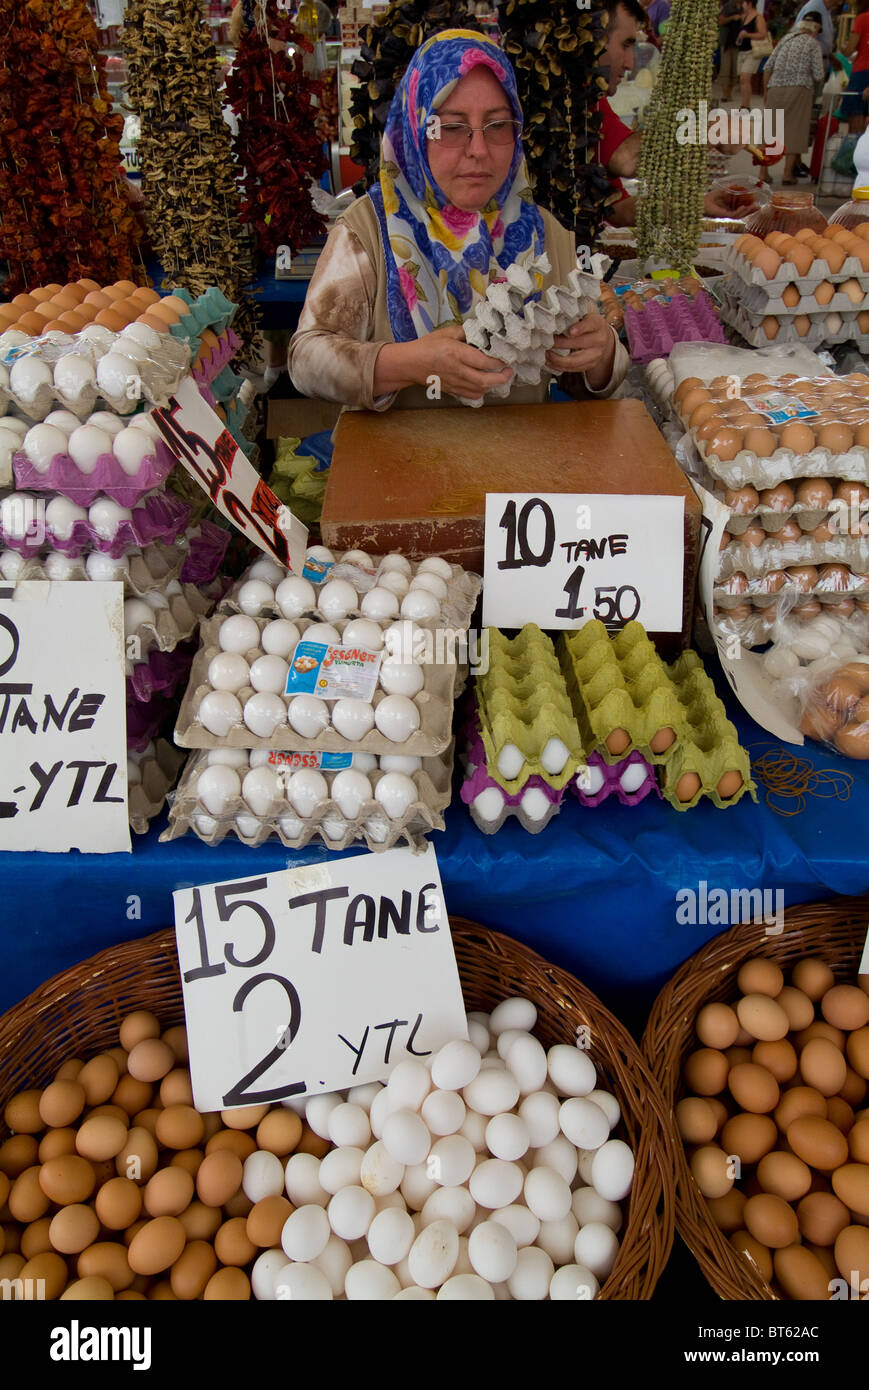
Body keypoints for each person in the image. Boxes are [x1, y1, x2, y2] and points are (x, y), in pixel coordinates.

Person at [289, 31, 628, 411]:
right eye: (451, 128)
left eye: (497, 126)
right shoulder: (369, 231)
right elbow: (306, 360)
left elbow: (582, 378)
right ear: (416, 130)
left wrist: (598, 355)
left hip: (519, 465)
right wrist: (410, 365)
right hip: (395, 464)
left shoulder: (543, 233)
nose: (478, 150)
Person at [762, 11, 825, 183]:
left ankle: (763, 172)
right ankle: (787, 174)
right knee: (793, 130)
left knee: (770, 130)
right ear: (817, 29)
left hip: (775, 86)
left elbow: (767, 67)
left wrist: (767, 91)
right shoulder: (813, 44)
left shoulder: (785, 39)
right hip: (799, 89)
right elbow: (819, 74)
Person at [840, 0, 869, 133]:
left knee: (856, 116)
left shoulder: (862, 19)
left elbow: (850, 49)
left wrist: (842, 50)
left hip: (862, 72)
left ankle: (853, 150)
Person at [735, 0, 770, 108]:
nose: (742, 5)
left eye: (744, 3)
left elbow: (763, 34)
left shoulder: (758, 17)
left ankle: (746, 106)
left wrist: (748, 35)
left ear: (749, 3)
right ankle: (744, 104)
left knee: (745, 78)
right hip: (742, 51)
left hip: (752, 52)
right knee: (742, 79)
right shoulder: (745, 16)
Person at [718, 0, 745, 100]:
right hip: (727, 42)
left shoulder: (744, 7)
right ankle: (725, 94)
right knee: (726, 68)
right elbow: (719, 21)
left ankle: (729, 93)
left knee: (735, 69)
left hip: (739, 43)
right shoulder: (728, 6)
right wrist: (732, 18)